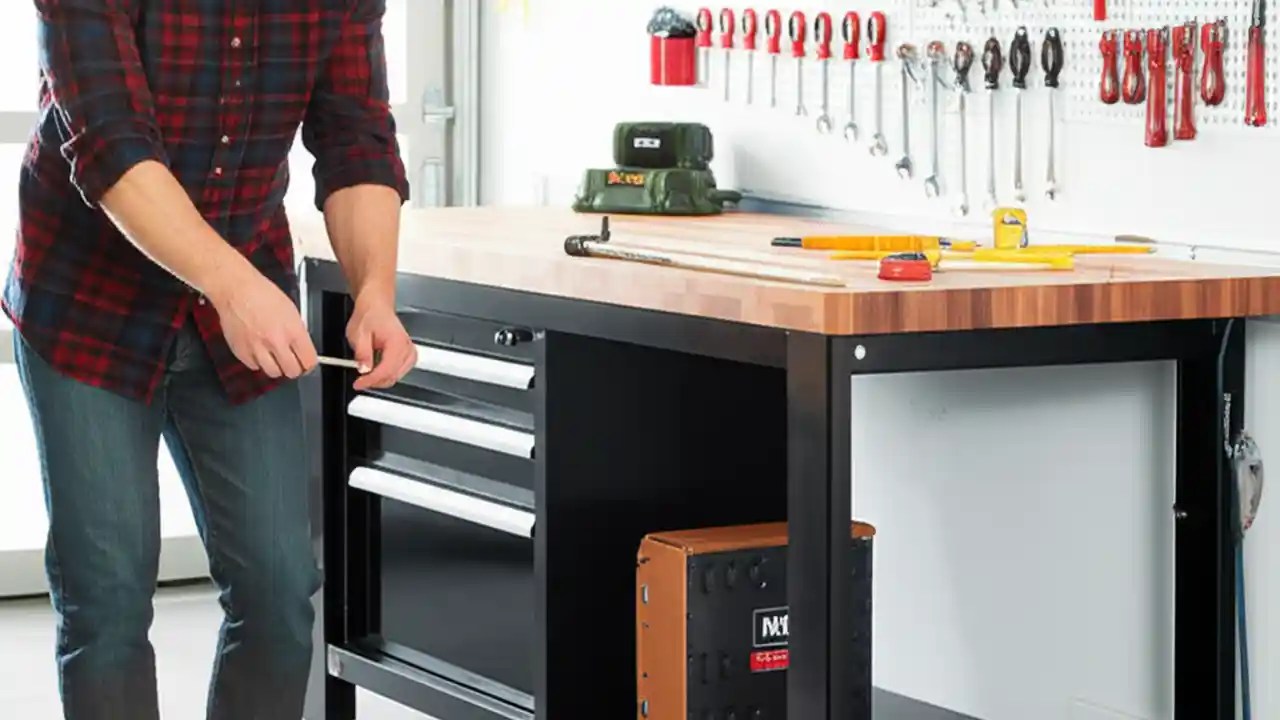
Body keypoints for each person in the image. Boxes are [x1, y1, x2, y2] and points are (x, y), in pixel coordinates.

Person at [2, 1, 418, 718]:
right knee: (107, 602)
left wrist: (374, 293)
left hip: (243, 300)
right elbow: (110, 140)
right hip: (90, 302)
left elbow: (357, 139)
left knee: (281, 594)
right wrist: (230, 285)